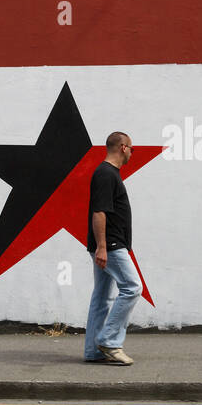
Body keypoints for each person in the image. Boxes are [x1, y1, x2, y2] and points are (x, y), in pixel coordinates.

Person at [84, 132, 141, 365]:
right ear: (124, 148)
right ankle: (109, 341)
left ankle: (93, 351)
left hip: (109, 245)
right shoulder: (106, 174)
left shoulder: (108, 174)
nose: (132, 154)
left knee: (102, 297)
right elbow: (99, 212)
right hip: (111, 245)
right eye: (132, 150)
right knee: (132, 287)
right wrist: (102, 247)